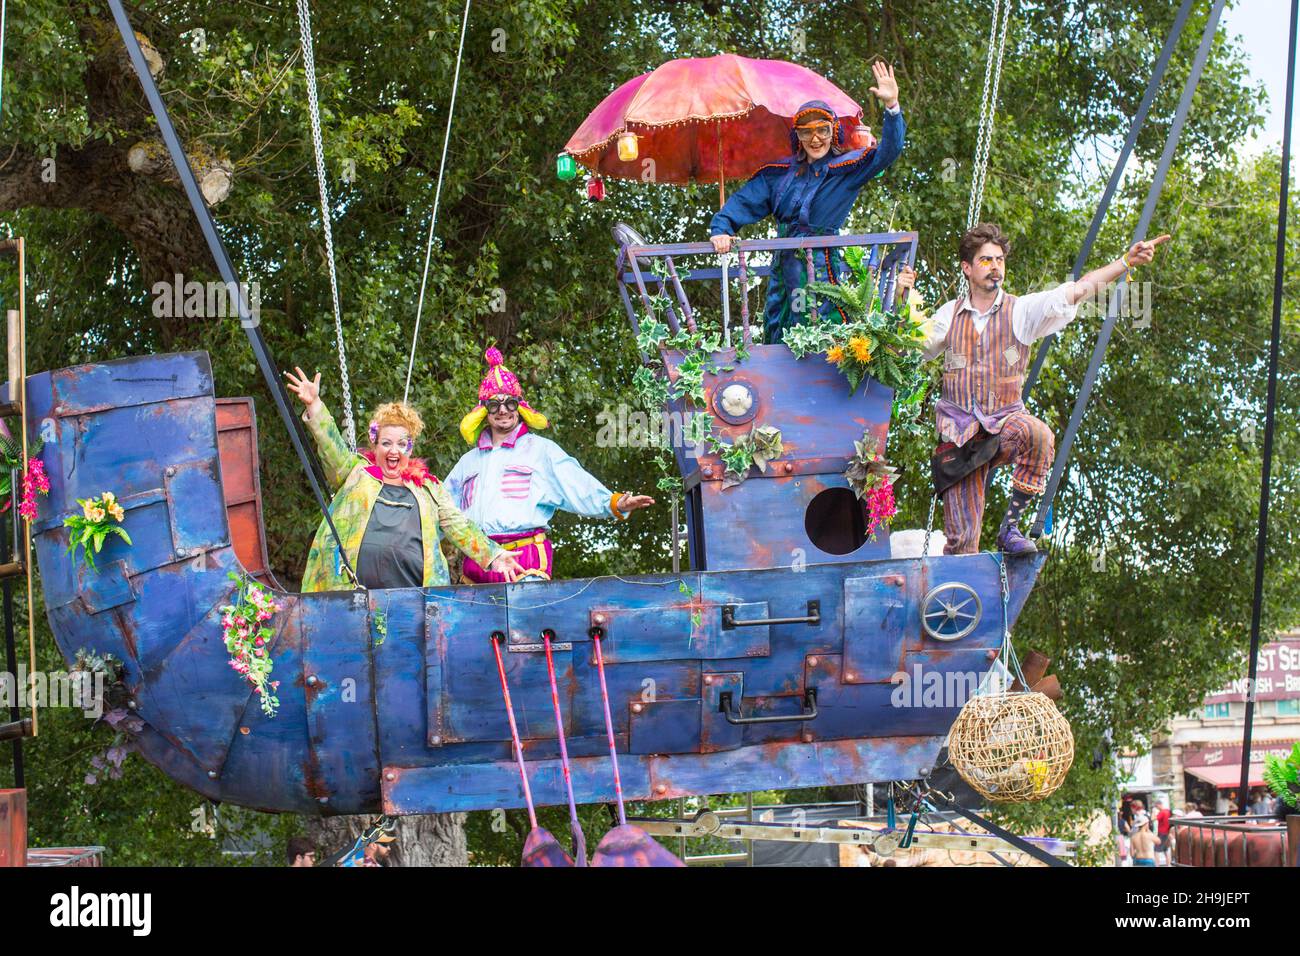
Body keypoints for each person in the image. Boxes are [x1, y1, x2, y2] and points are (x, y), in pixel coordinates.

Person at [922, 224, 1170, 554]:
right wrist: (899, 298)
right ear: (967, 268)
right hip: (959, 435)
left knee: (1038, 434)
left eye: (999, 259)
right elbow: (909, 346)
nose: (995, 266)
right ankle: (954, 599)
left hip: (1003, 425)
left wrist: (1125, 261)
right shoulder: (947, 316)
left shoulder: (1021, 311)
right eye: (985, 260)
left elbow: (1079, 290)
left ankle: (1010, 527)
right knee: (961, 544)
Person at [708, 61, 906, 343]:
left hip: (823, 262)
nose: (815, 139)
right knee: (779, 324)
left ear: (833, 131)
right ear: (797, 137)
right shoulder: (778, 175)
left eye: (822, 130)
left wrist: (892, 107)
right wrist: (722, 228)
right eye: (806, 132)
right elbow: (745, 201)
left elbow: (889, 151)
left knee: (827, 326)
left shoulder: (846, 169)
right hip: (784, 263)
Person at [284, 367, 524, 590]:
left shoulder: (429, 488)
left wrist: (494, 555)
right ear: (375, 447)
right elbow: (331, 446)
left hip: (415, 602)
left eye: (402, 444)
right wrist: (315, 405)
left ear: (410, 449)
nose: (394, 451)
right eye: (386, 443)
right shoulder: (355, 472)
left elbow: (460, 527)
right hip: (347, 595)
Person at [447, 348, 655, 583]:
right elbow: (439, 507)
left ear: (520, 406)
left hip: (524, 560)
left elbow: (576, 484)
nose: (502, 410)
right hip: (478, 563)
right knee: (474, 620)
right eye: (494, 405)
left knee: (527, 619)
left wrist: (614, 502)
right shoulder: (468, 462)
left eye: (510, 403)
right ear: (484, 411)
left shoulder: (540, 450)